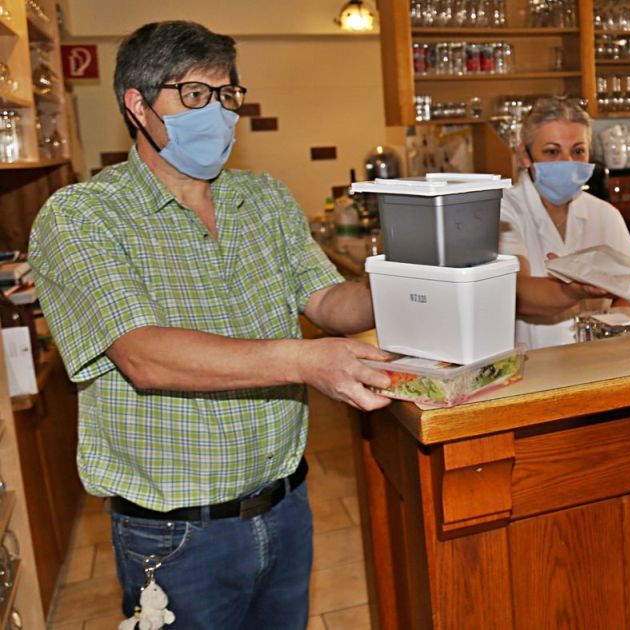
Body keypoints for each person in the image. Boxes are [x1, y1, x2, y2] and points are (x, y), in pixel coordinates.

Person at [28, 21, 394, 628]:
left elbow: (327, 300)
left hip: (286, 505)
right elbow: (145, 356)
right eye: (196, 95)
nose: (220, 114)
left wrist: (404, 282)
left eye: (229, 95)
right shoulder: (81, 216)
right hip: (174, 536)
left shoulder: (266, 198)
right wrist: (306, 360)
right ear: (138, 105)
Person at [499, 96, 630, 349]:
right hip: (531, 369)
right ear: (525, 155)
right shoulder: (503, 212)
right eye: (552, 151)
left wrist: (608, 329)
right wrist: (575, 290)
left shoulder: (604, 214)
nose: (567, 161)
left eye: (578, 151)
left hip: (597, 365)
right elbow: (515, 295)